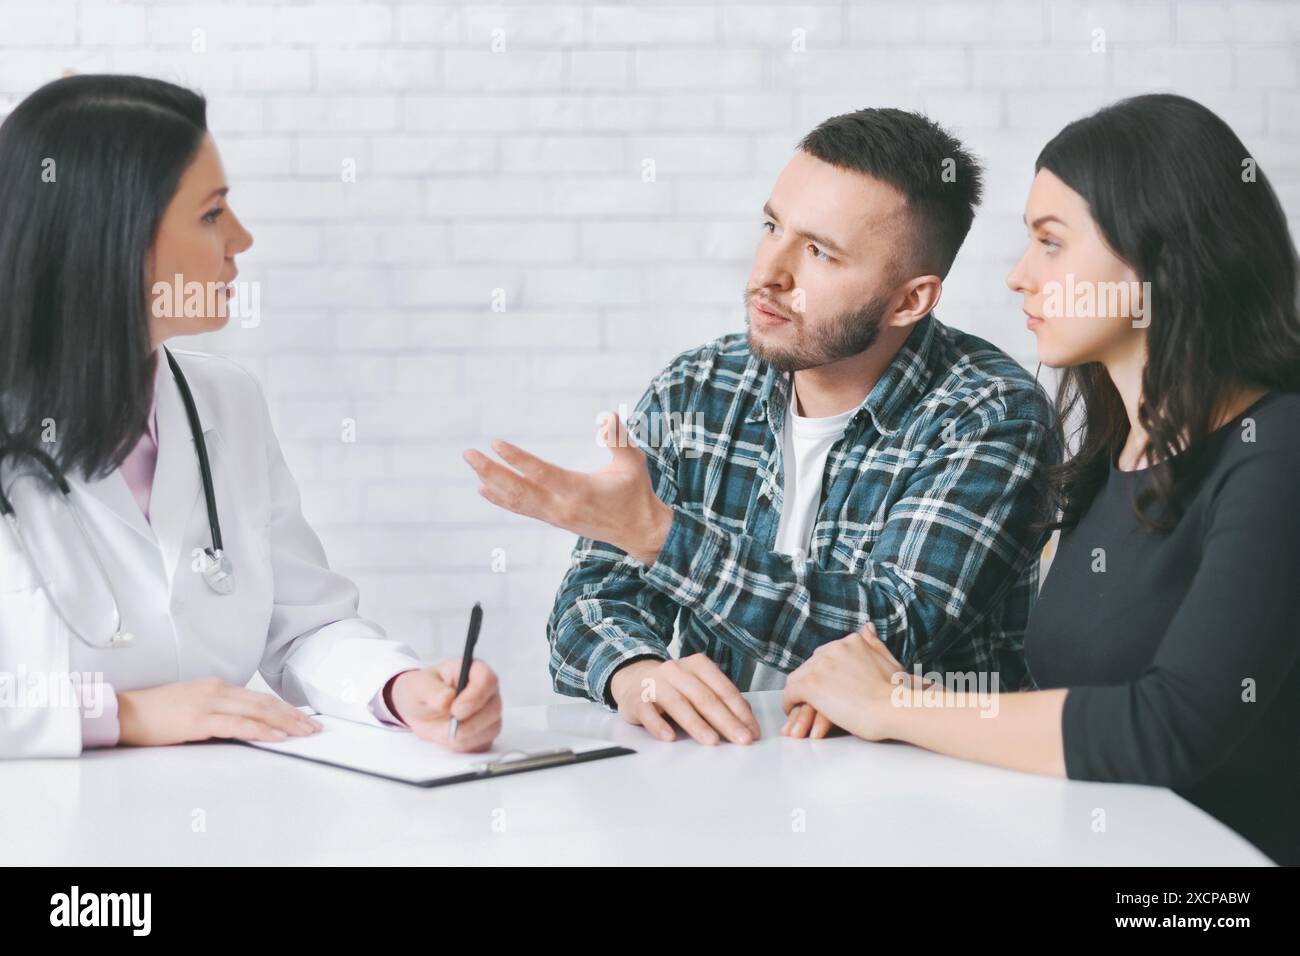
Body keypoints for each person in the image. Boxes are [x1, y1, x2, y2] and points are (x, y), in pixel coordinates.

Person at [781, 94, 1300, 866]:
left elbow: (1170, 729)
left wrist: (899, 702)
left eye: (1050, 243)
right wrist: (879, 706)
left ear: (1160, 255)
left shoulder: (1278, 450)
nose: (1020, 278)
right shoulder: (1108, 462)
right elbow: (1068, 709)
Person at [464, 108, 1057, 745]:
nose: (768, 275)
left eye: (820, 253)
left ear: (909, 300)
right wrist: (637, 674)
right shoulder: (699, 386)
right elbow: (591, 601)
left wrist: (661, 538)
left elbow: (891, 633)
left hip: (919, 801)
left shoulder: (989, 412)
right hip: (723, 785)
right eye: (772, 226)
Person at [0, 75, 501, 758]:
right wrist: (122, 715)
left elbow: (303, 626)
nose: (242, 239)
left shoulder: (226, 403)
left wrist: (399, 689)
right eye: (211, 215)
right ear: (113, 238)